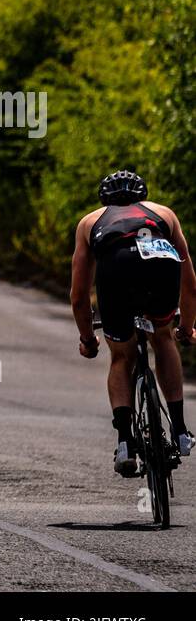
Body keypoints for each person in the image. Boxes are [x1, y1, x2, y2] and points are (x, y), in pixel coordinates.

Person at [71, 170, 196, 474]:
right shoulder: (164, 214)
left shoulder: (90, 222)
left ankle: (125, 443)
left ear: (104, 199)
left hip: (116, 273)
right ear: (142, 195)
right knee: (163, 337)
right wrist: (187, 326)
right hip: (160, 271)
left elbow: (79, 294)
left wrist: (88, 339)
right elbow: (190, 283)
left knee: (122, 356)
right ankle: (180, 431)